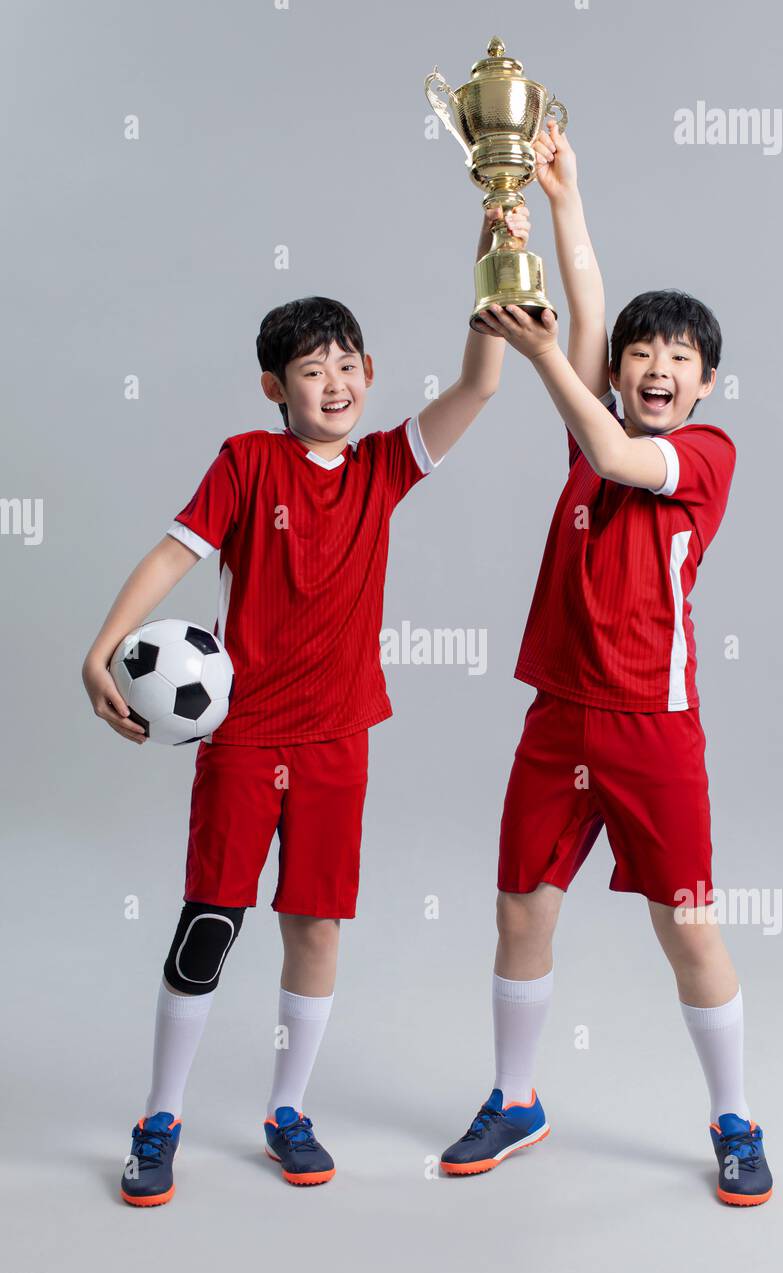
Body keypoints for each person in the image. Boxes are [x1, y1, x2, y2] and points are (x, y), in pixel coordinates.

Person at [82, 204, 529, 1203]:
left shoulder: (383, 467)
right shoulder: (247, 461)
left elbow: (481, 383)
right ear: (273, 387)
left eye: (344, 366)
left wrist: (489, 263)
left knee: (317, 925)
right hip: (242, 737)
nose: (330, 384)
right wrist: (102, 647)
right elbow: (174, 552)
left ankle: (287, 1110)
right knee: (211, 919)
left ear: (367, 377)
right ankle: (160, 1117)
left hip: (337, 742)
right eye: (309, 369)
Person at [439, 120, 772, 1207]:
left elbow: (615, 447)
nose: (657, 367)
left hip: (650, 724)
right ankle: (517, 1097)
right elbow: (585, 309)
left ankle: (732, 1118)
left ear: (706, 386)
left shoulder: (694, 458)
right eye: (641, 354)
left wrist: (547, 364)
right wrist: (561, 194)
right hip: (557, 719)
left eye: (680, 359)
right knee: (520, 910)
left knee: (685, 922)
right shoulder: (593, 415)